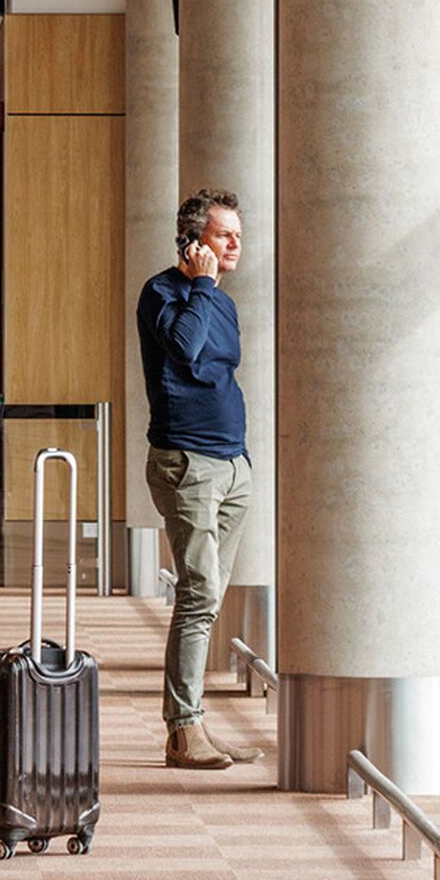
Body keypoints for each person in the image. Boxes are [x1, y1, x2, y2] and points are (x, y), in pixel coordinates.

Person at [138, 188, 264, 771]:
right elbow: (188, 352)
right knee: (197, 595)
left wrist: (212, 293)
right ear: (194, 243)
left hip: (232, 465)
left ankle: (192, 726)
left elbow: (224, 365)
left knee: (207, 599)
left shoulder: (222, 302)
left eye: (238, 234)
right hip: (186, 465)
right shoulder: (163, 292)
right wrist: (201, 286)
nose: (235, 244)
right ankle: (184, 730)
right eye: (224, 235)